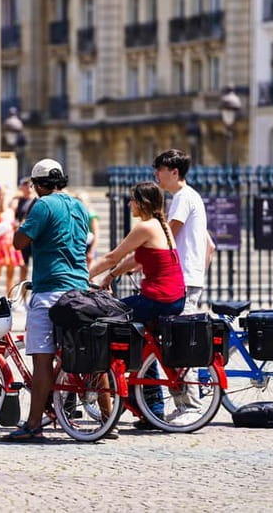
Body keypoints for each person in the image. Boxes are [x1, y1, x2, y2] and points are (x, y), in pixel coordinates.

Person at [3, 159, 89, 441]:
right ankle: (107, 416)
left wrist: (21, 225)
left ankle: (33, 424)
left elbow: (19, 242)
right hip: (80, 288)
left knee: (42, 359)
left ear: (38, 184)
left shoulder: (42, 205)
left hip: (50, 288)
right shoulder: (79, 205)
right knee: (87, 352)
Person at [89, 181, 186, 427]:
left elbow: (113, 256)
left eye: (132, 200)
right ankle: (151, 409)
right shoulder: (161, 225)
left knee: (105, 319)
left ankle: (117, 385)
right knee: (144, 346)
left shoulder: (145, 227)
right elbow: (135, 259)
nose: (129, 204)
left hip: (157, 299)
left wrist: (83, 277)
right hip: (174, 297)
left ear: (143, 203)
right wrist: (112, 275)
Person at [153, 149, 216, 314]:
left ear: (174, 172)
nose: (156, 174)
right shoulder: (192, 196)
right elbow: (210, 247)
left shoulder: (182, 197)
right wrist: (197, 276)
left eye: (160, 169)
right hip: (190, 279)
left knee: (178, 329)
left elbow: (167, 238)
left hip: (181, 281)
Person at [0, 198, 24, 298]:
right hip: (0, 244)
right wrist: (2, 197)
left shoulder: (11, 212)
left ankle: (10, 299)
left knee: (10, 276)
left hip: (11, 244)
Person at [12, 177, 37, 284]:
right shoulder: (19, 200)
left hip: (33, 235)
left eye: (29, 185)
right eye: (25, 185)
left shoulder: (37, 200)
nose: (28, 187)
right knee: (23, 264)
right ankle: (22, 290)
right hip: (24, 234)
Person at [75, 191, 99, 266]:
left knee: (90, 269)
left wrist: (92, 251)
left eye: (81, 200)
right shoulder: (75, 214)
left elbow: (96, 235)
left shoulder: (91, 215)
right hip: (78, 245)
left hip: (88, 245)